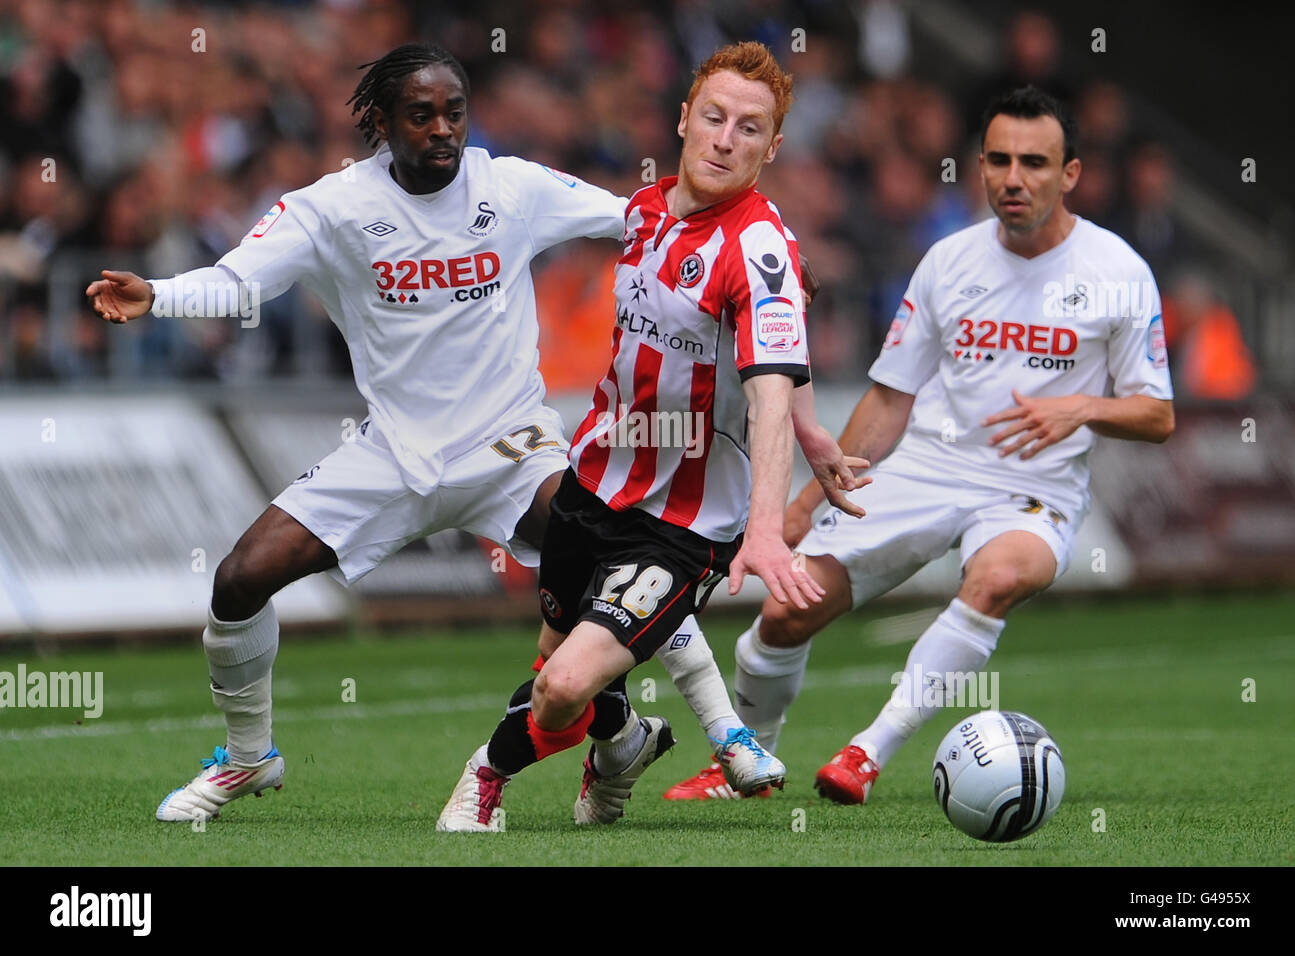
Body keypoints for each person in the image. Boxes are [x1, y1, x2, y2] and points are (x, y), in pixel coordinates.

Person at [86, 42, 855, 824]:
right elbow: (239, 279)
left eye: (455, 112)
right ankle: (250, 756)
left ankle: (723, 729)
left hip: (510, 449)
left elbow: (641, 219)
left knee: (624, 551)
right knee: (241, 577)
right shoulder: (332, 208)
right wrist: (158, 293)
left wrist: (777, 286)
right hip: (394, 452)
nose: (443, 130)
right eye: (421, 116)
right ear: (382, 123)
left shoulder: (511, 187)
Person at [663, 86, 1175, 804]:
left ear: (1070, 175)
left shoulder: (1117, 272)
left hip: (1034, 487)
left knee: (995, 578)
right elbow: (891, 397)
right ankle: (745, 764)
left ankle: (867, 754)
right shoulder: (950, 261)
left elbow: (1157, 414)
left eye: (1035, 162)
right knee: (788, 610)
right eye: (998, 159)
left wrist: (1085, 408)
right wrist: (810, 501)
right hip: (929, 463)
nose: (1013, 177)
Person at [436, 41, 865, 832]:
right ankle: (624, 750)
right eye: (714, 117)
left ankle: (483, 777)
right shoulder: (640, 213)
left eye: (749, 128)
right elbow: (771, 371)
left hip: (682, 526)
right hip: (593, 480)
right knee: (560, 672)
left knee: (562, 687)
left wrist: (765, 529)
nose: (725, 138)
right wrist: (818, 435)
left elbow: (770, 386)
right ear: (683, 119)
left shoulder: (761, 252)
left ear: (771, 150)